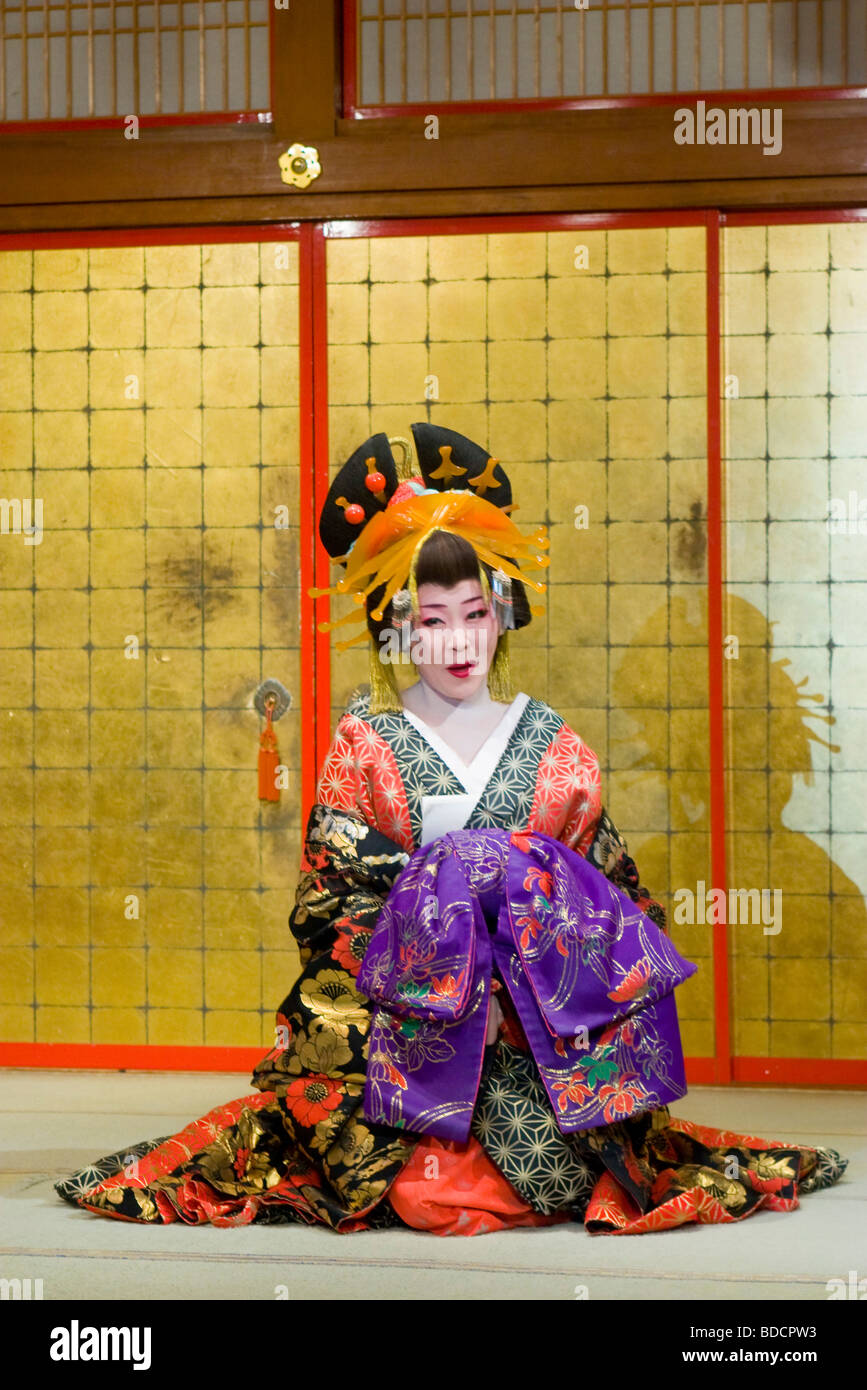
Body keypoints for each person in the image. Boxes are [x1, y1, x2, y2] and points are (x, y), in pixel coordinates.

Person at [55, 423, 848, 1236]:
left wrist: (528, 979)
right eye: (432, 621)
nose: (459, 640)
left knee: (564, 1171)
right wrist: (453, 984)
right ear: (393, 628)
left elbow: (617, 903)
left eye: (475, 612)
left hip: (542, 1022)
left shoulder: (555, 750)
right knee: (393, 1175)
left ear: (504, 610)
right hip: (416, 1021)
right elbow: (332, 909)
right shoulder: (365, 747)